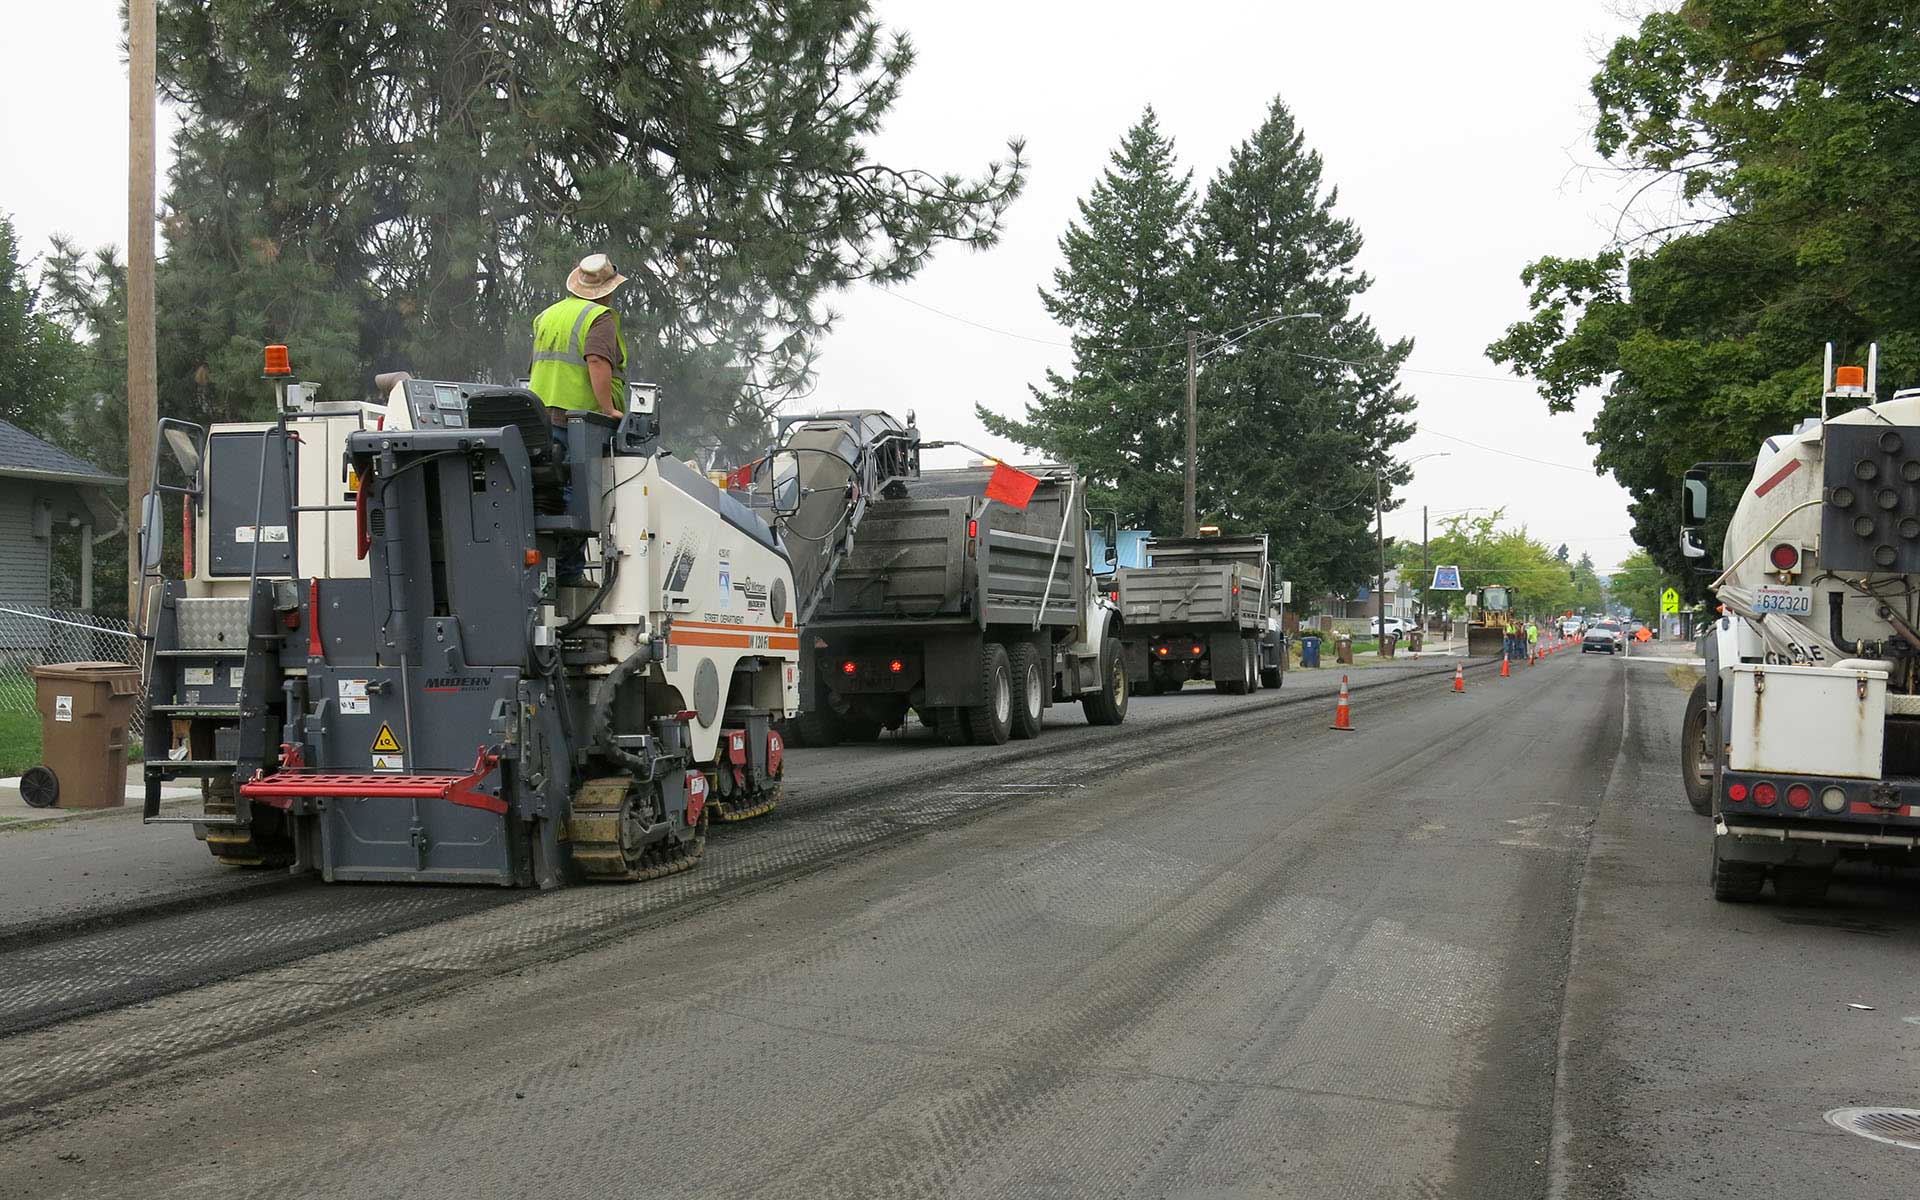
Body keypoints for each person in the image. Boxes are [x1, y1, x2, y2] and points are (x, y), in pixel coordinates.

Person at [528, 253, 629, 586]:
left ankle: (546, 573)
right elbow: (597, 360)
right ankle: (570, 574)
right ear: (607, 289)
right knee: (578, 496)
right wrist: (608, 408)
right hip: (578, 419)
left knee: (546, 496)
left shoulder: (548, 315)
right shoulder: (600, 317)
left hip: (539, 416)